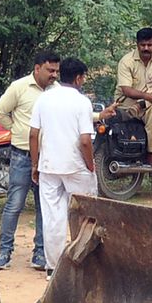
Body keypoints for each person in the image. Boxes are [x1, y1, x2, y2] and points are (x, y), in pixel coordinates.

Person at [0, 53, 61, 272]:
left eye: (56, 71)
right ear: (37, 68)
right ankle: (4, 252)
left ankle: (40, 253)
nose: (54, 75)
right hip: (21, 154)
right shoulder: (19, 87)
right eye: (50, 70)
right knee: (14, 204)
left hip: (46, 156)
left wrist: (99, 116)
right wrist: (16, 129)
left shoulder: (57, 91)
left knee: (44, 206)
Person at [28, 57, 97, 250]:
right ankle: (84, 257)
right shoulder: (82, 102)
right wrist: (90, 165)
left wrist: (35, 164)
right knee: (87, 216)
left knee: (52, 218)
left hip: (48, 166)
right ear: (78, 78)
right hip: (76, 166)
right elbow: (85, 141)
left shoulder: (44, 98)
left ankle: (53, 263)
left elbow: (33, 134)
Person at [114, 27, 152, 173]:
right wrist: (149, 97)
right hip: (127, 104)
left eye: (149, 45)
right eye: (143, 45)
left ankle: (142, 104)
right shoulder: (127, 61)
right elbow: (126, 90)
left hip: (145, 105)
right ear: (137, 44)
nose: (146, 48)